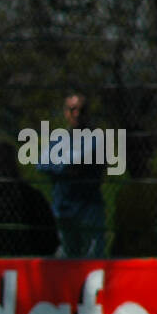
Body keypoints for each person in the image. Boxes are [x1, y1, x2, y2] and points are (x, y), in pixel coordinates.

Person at [38, 90, 105, 257]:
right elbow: (42, 164)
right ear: (65, 112)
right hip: (64, 209)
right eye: (72, 109)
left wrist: (61, 164)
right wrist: (65, 167)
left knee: (91, 259)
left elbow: (84, 160)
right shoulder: (58, 139)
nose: (77, 114)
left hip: (89, 210)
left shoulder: (97, 139)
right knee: (66, 261)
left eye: (81, 110)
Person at [0, 142, 57, 256]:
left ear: (12, 165)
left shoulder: (30, 197)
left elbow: (49, 239)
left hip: (27, 259)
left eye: (3, 163)